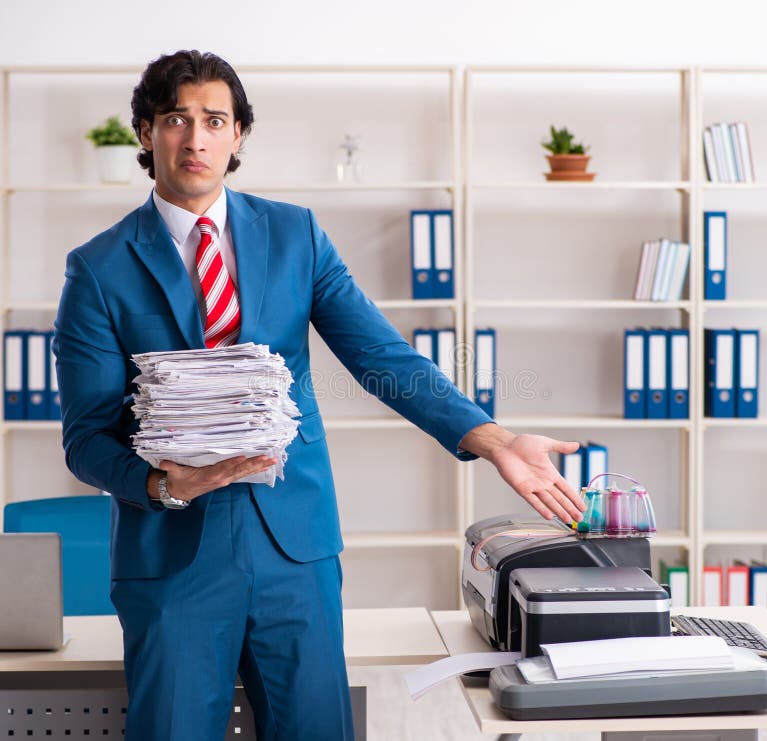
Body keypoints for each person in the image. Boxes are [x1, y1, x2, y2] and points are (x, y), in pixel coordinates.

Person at [54, 50, 585, 741]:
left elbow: (379, 355)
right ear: (146, 132)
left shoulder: (294, 235)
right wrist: (161, 482)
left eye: (214, 119)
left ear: (238, 134)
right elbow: (87, 437)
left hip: (292, 547)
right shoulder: (99, 268)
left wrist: (493, 439)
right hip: (172, 554)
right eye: (175, 119)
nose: (195, 138)